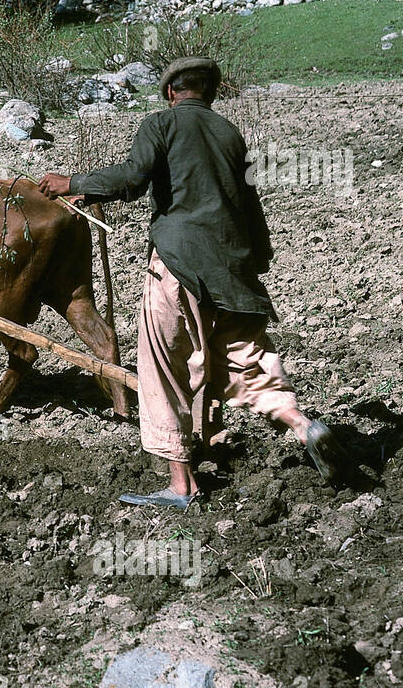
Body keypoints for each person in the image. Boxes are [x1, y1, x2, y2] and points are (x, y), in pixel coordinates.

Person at [38, 56, 342, 510]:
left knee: (164, 366)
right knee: (245, 360)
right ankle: (302, 425)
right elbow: (249, 203)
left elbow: (134, 178)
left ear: (169, 93)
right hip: (235, 271)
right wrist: (254, 260)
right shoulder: (230, 135)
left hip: (180, 264)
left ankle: (182, 485)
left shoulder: (160, 124)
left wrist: (73, 182)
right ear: (212, 94)